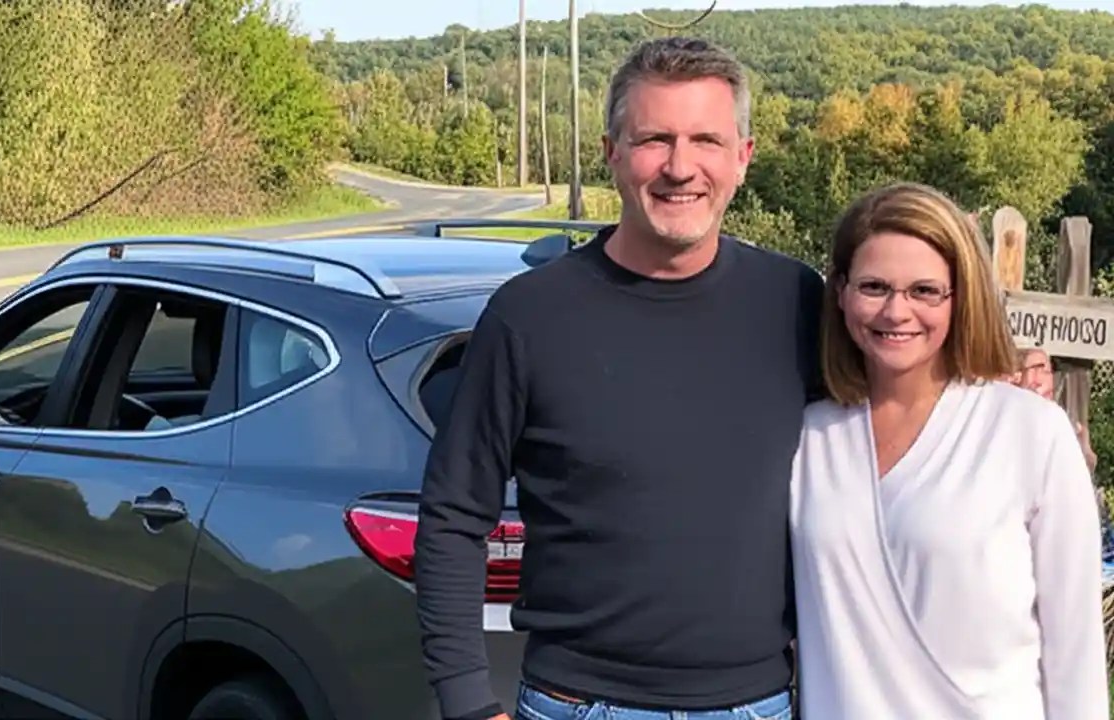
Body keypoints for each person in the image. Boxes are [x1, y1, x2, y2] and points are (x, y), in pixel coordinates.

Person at [413, 36, 824, 720]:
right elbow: (454, 514)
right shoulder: (530, 317)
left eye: (706, 141)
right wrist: (464, 700)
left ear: (744, 158)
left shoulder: (795, 303)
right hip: (578, 702)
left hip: (760, 704)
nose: (679, 166)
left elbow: (896, 431)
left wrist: (996, 387)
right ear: (611, 153)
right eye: (653, 139)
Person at [789, 181, 1108, 719]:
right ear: (840, 293)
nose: (896, 311)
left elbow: (1075, 654)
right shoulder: (808, 439)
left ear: (961, 297)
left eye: (925, 290)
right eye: (874, 286)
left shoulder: (1029, 433)